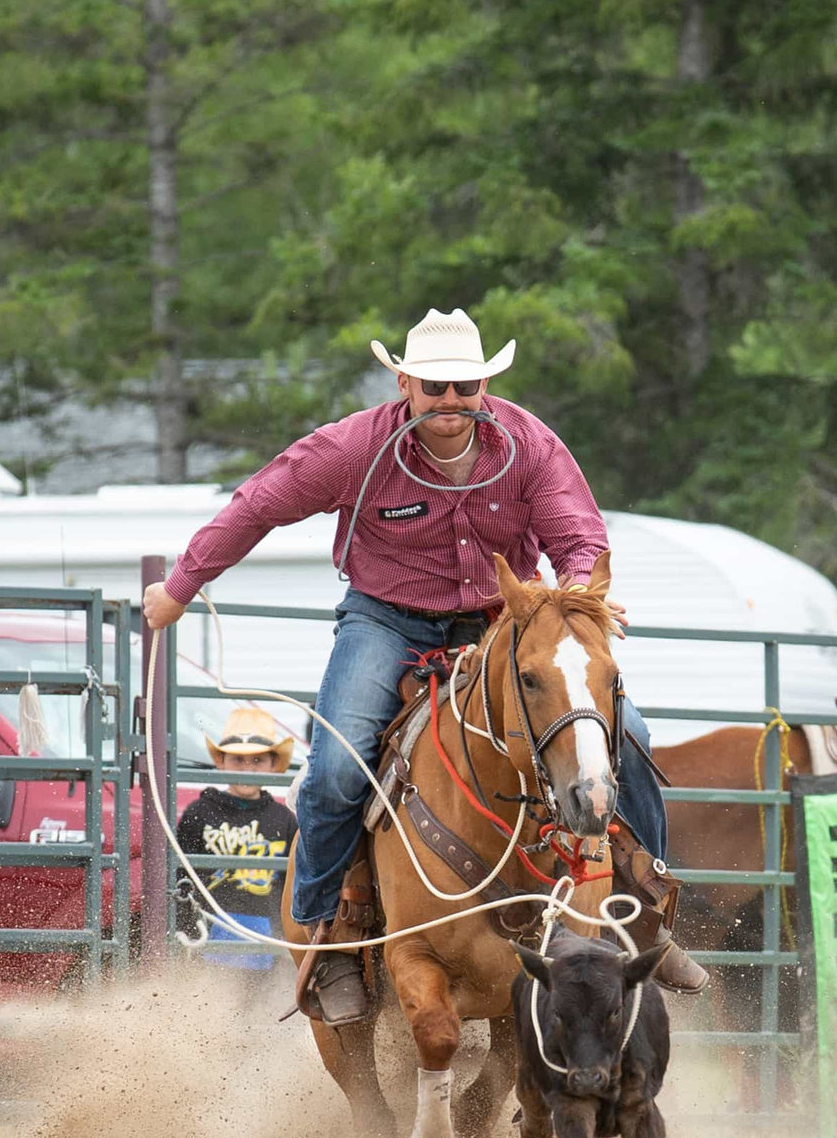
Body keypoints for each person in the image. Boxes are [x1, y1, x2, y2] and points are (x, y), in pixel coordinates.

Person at [145, 306, 708, 1025]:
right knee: (338, 767)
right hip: (387, 619)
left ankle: (646, 914)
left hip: (509, 621)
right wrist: (180, 587)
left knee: (625, 733)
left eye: (464, 386)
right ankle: (329, 937)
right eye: (435, 387)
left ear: (483, 386)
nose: (450, 402)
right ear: (405, 383)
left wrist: (575, 599)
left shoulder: (529, 445)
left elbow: (578, 533)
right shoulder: (354, 449)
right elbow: (259, 504)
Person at [175, 706, 298, 973]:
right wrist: (185, 928)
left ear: (273, 765)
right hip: (208, 929)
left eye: (257, 761)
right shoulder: (199, 814)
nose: (247, 768)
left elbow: (291, 886)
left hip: (267, 933)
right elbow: (181, 878)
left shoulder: (285, 820)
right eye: (238, 760)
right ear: (221, 761)